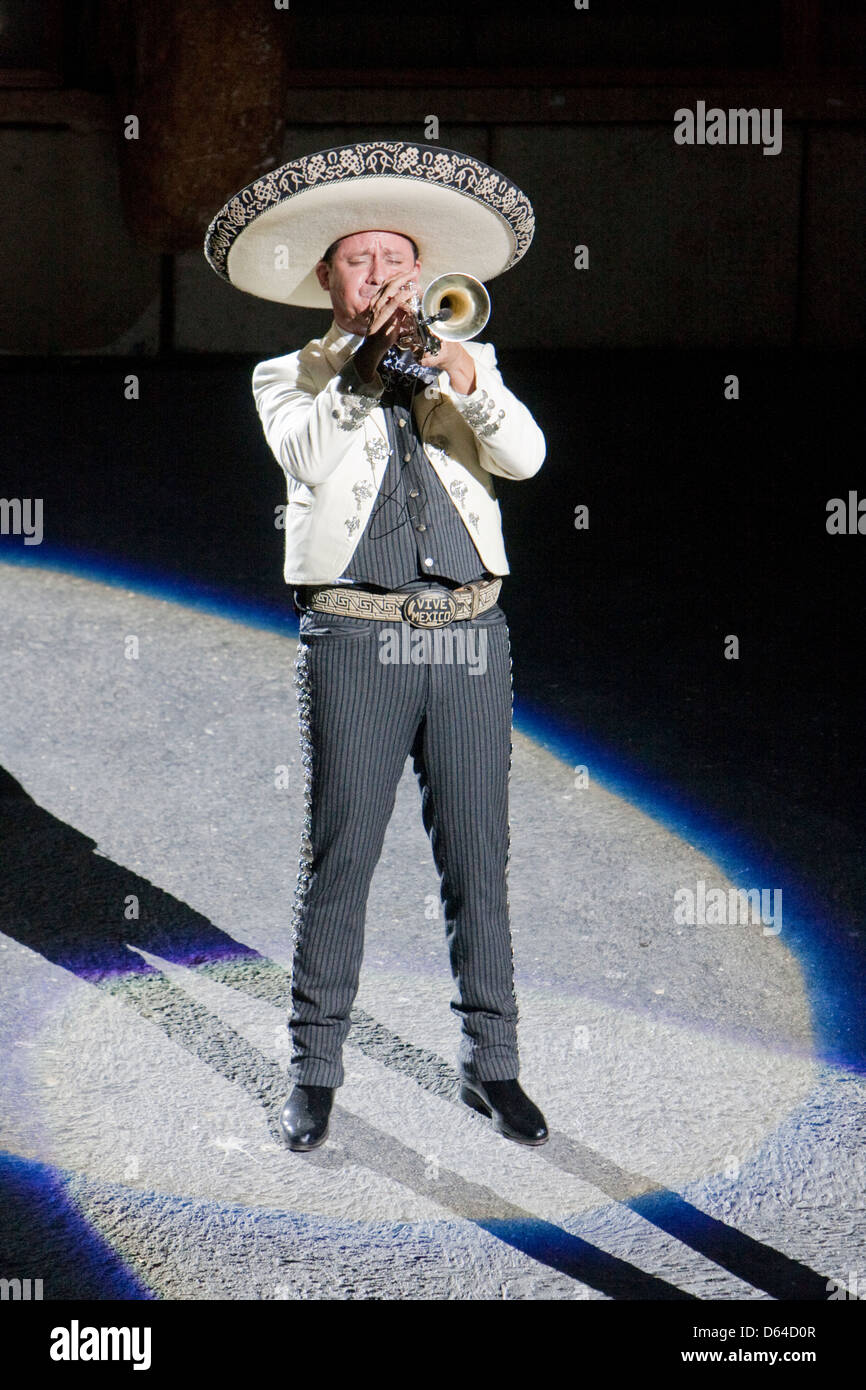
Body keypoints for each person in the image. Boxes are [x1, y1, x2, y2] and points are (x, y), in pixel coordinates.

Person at [205, 141, 548, 1151]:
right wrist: (363, 369)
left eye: (397, 260)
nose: (383, 277)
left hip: (471, 636)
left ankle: (493, 1067)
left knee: (477, 862)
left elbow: (525, 458)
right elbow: (306, 453)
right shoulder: (288, 374)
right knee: (342, 857)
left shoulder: (460, 358)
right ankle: (314, 1074)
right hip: (354, 640)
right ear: (327, 276)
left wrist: (461, 374)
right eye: (360, 262)